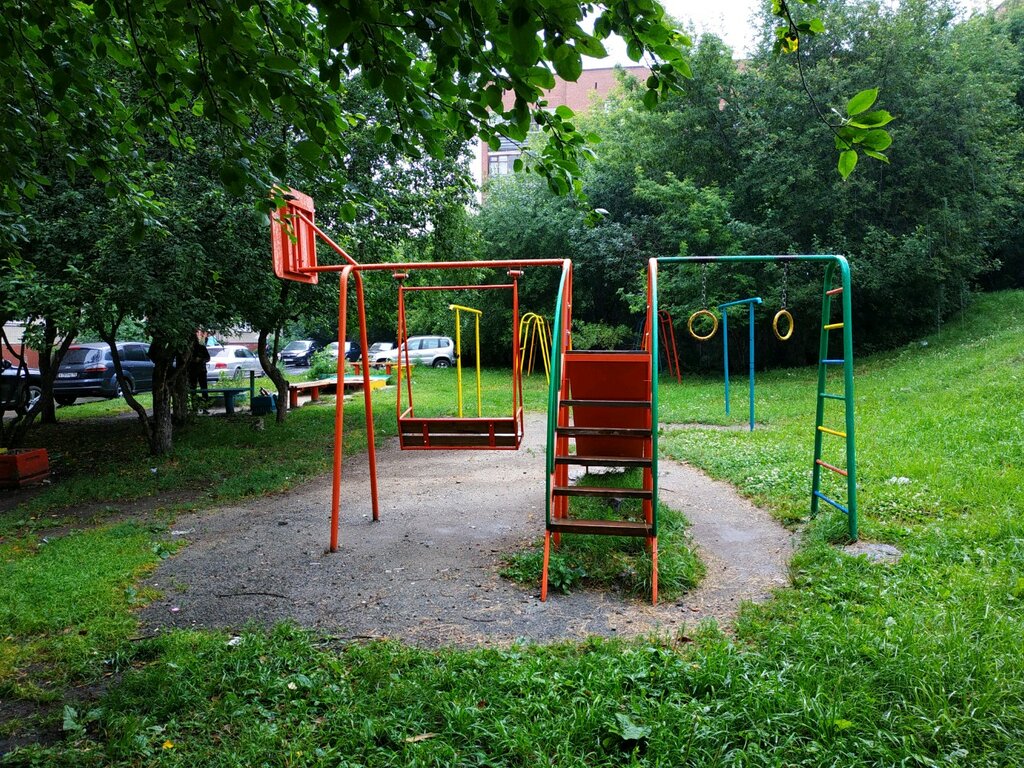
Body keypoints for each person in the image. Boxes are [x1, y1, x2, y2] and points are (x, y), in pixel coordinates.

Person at [189, 331, 211, 396]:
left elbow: (208, 358)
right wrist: (193, 360)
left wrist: (200, 359)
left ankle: (205, 402)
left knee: (204, 388)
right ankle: (195, 402)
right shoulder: (189, 349)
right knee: (193, 388)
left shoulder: (202, 348)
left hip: (202, 370)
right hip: (192, 371)